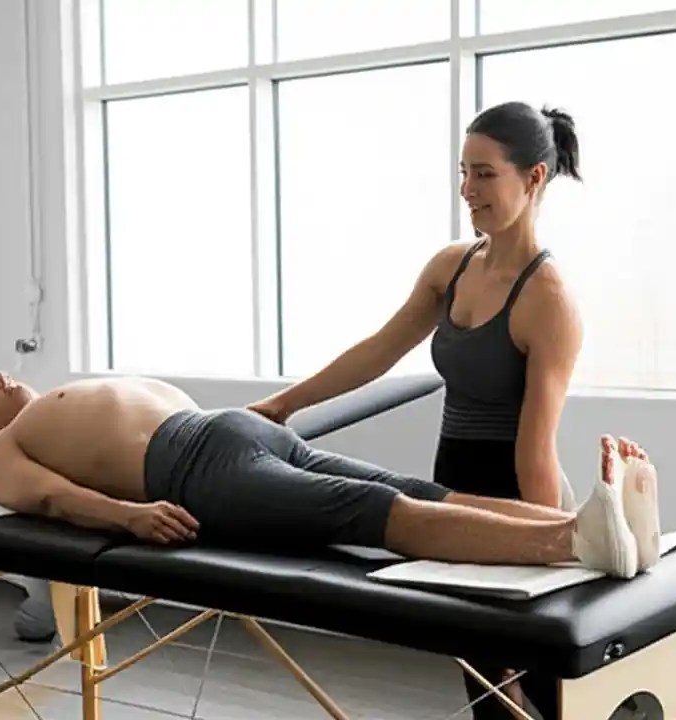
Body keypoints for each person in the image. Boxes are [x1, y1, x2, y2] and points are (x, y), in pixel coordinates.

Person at [246, 100, 644, 718]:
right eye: (463, 172)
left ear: (533, 177)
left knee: (543, 682)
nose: (467, 190)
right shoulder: (451, 266)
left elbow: (535, 445)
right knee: (480, 674)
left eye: (484, 174)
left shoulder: (549, 300)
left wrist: (547, 546)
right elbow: (378, 351)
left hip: (518, 490)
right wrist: (285, 403)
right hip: (452, 487)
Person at [0, 371, 646, 577]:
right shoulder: (2, 451)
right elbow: (51, 500)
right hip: (197, 475)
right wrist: (129, 517)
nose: (0, 375)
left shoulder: (58, 398)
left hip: (233, 431)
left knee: (414, 491)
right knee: (380, 516)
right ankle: (572, 543)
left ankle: (582, 522)